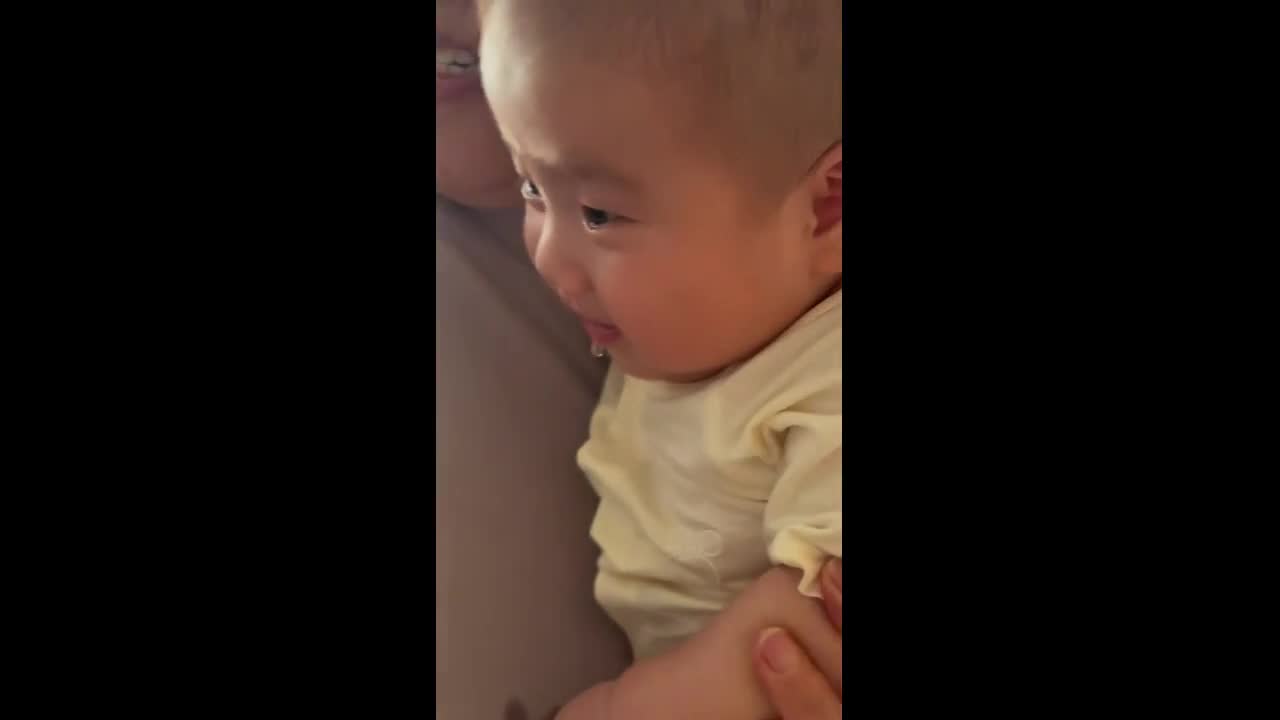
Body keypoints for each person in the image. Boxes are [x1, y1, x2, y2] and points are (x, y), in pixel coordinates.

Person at [435, 0, 841, 717]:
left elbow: (812, 630)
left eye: (599, 214)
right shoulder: (695, 317)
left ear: (827, 209)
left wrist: (614, 708)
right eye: (532, 188)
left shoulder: (823, 373)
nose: (552, 258)